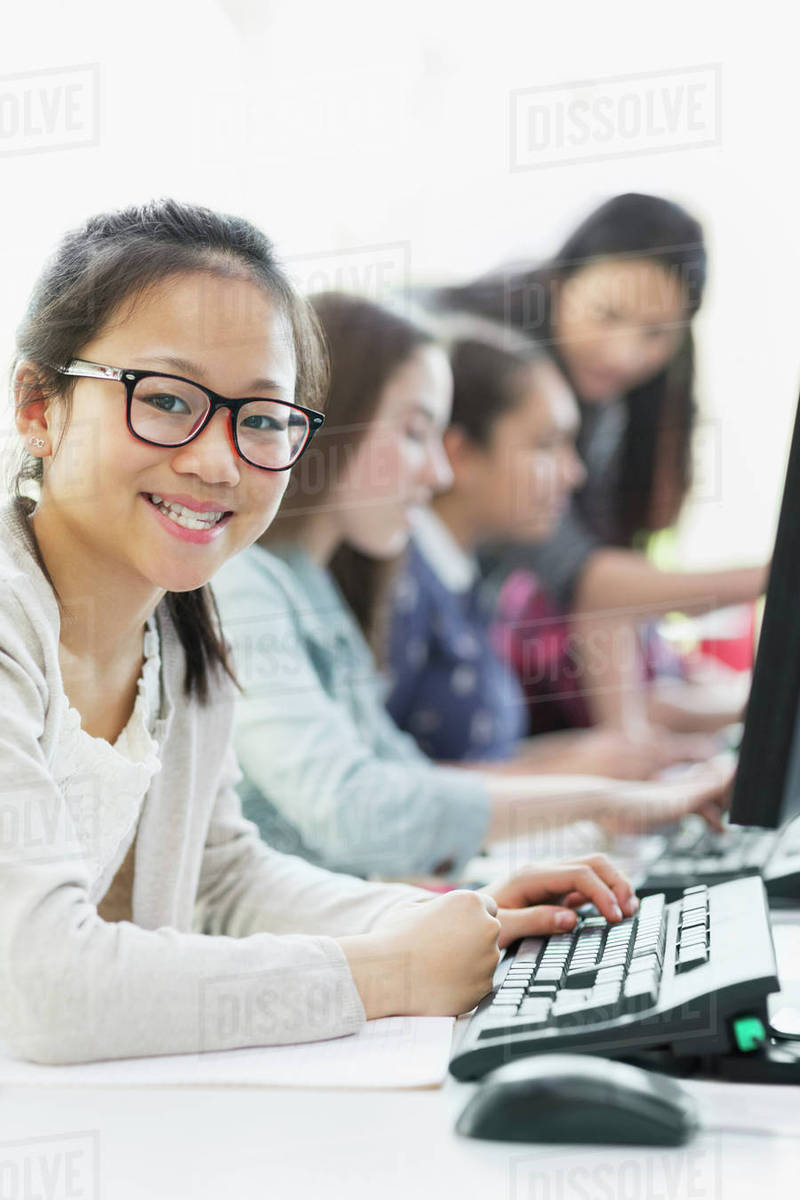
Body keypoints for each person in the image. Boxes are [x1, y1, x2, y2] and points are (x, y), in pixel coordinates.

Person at [0, 200, 646, 1066]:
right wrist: (385, 973)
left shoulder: (185, 628)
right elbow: (41, 989)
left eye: (262, 417)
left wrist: (443, 921)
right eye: (165, 399)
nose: (218, 460)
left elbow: (225, 878)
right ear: (39, 405)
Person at [213, 291, 732, 887]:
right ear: (331, 415)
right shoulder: (242, 584)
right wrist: (610, 798)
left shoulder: (307, 588)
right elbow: (354, 811)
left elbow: (402, 778)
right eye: (414, 433)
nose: (437, 472)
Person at [437, 194, 767, 738]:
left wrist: (627, 742)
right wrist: (773, 580)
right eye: (608, 315)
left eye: (656, 334)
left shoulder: (600, 402)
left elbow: (596, 573)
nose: (625, 355)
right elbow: (583, 578)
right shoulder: (486, 366)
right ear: (559, 282)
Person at [385, 317, 713, 776]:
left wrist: (602, 758)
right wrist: (576, 767)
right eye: (545, 445)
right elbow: (387, 789)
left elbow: (477, 764)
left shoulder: (468, 581)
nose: (572, 472)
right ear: (460, 455)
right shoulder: (400, 588)